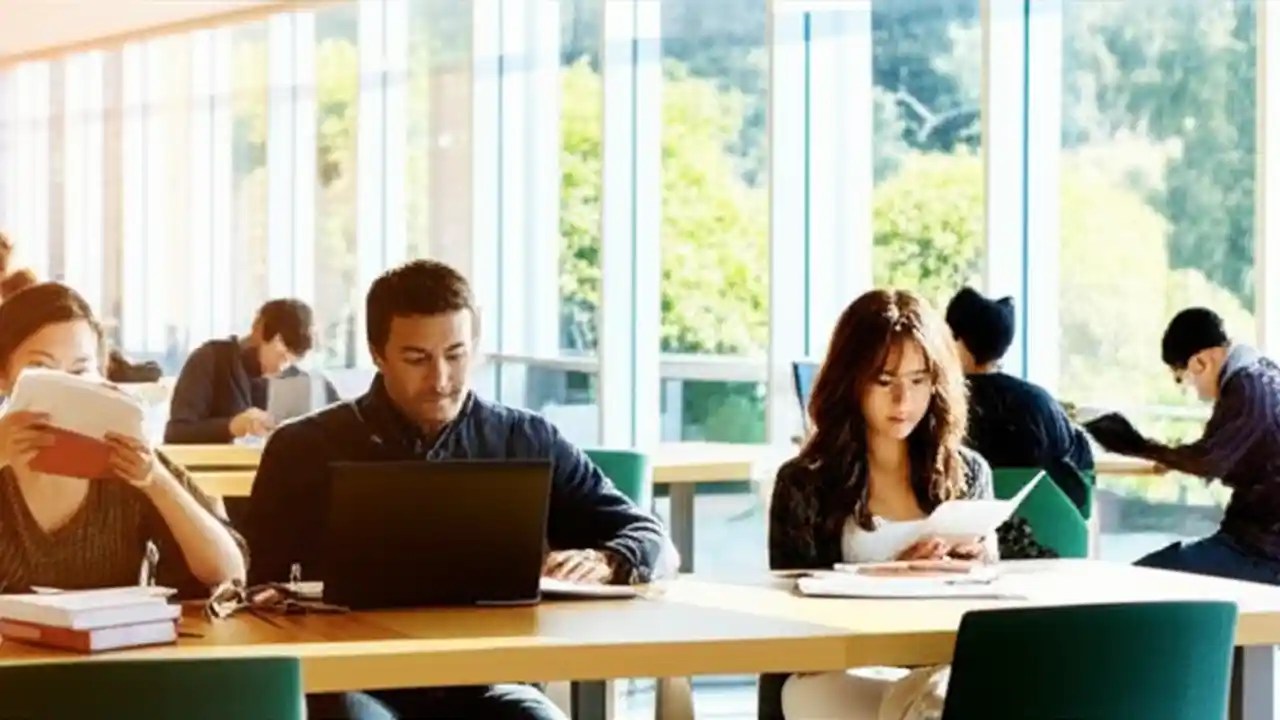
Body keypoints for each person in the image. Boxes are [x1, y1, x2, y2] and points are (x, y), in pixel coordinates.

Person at [244, 259, 671, 720]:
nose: (441, 379)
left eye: (456, 354)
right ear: (376, 353)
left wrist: (610, 559)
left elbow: (650, 535)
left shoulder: (526, 440)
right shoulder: (302, 448)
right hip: (353, 681)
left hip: (488, 684)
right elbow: (256, 592)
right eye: (417, 359)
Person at [765, 289, 996, 720]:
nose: (903, 401)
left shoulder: (969, 473)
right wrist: (891, 574)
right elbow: (791, 620)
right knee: (936, 708)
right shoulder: (804, 483)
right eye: (884, 381)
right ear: (851, 380)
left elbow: (990, 608)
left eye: (917, 380)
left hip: (940, 668)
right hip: (833, 674)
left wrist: (973, 567)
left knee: (943, 700)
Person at [0, 282, 246, 597]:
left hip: (108, 644)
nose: (62, 385)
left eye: (80, 371)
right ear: (4, 375)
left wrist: (156, 481)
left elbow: (228, 573)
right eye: (39, 368)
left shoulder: (126, 460)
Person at [1093, 308, 1280, 584]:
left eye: (1180, 377)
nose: (1188, 387)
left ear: (1200, 362)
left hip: (1262, 552)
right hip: (1256, 541)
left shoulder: (1248, 390)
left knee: (1135, 582)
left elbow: (1208, 461)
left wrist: (1136, 445)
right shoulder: (1262, 374)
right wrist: (1161, 453)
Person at [945, 287, 1095, 511]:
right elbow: (1080, 485)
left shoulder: (942, 404)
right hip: (1047, 535)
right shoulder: (1040, 403)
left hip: (964, 537)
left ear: (958, 340)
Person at [165, 298, 336, 444]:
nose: (281, 368)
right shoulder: (210, 360)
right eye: (281, 357)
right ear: (258, 330)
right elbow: (176, 433)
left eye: (290, 362)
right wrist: (232, 426)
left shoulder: (298, 379)